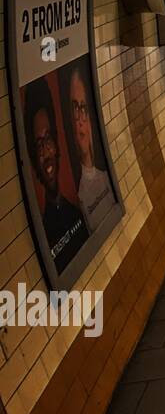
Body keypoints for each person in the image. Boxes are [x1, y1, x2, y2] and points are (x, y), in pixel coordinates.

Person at [24, 76, 87, 272]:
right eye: (39, 144)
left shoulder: (77, 212)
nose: (45, 152)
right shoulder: (43, 232)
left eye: (48, 138)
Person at [64, 63, 112, 233]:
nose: (80, 120)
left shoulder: (106, 176)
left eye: (83, 108)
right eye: (75, 108)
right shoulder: (77, 193)